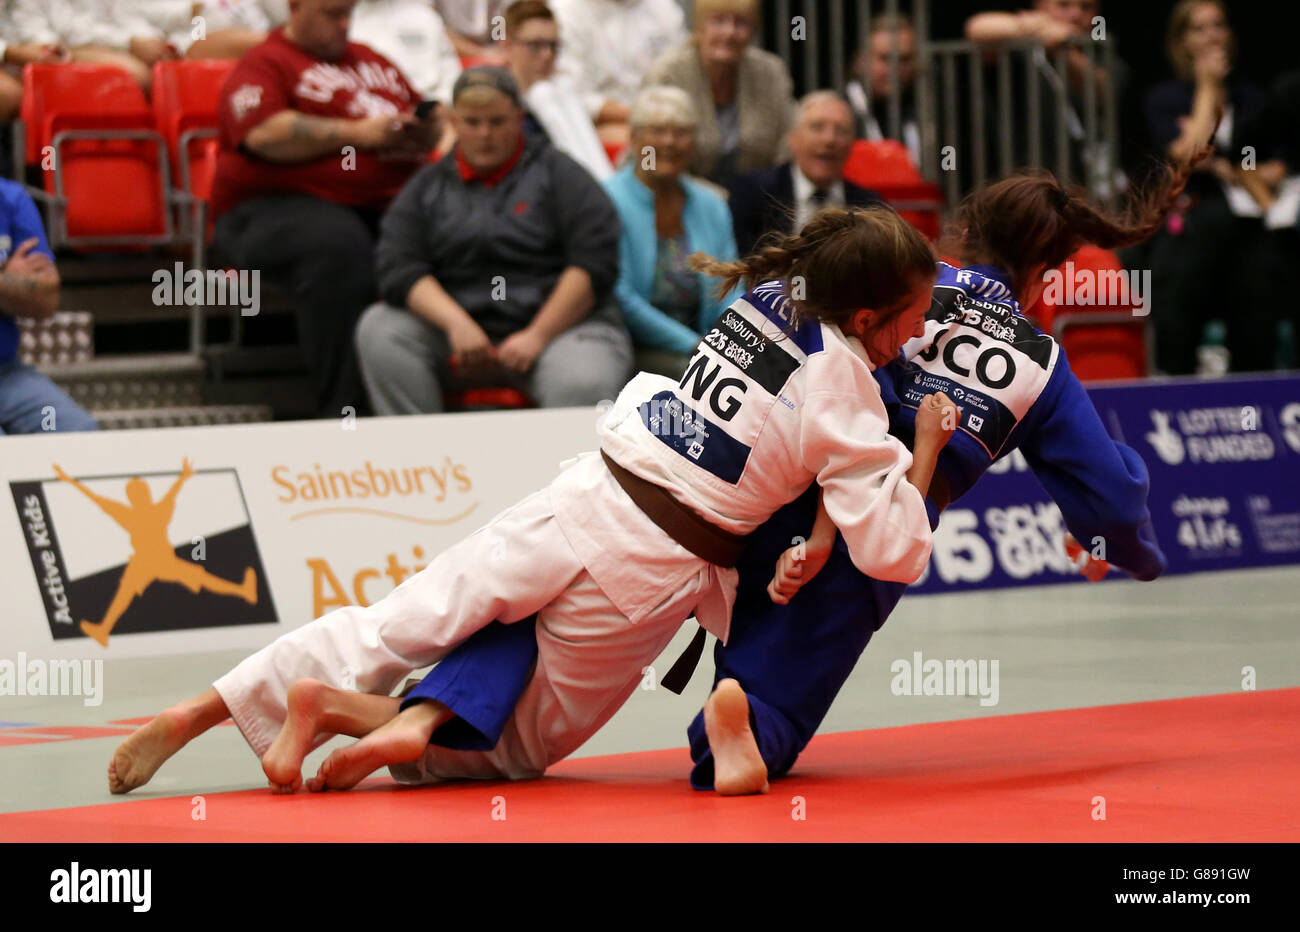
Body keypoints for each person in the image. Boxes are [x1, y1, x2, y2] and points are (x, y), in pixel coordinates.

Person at [323, 141, 1210, 797]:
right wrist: (1128, 550)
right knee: (764, 711)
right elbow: (1114, 497)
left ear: (962, 231)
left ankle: (427, 708)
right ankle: (740, 720)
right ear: (1053, 270)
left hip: (749, 495)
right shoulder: (1039, 364)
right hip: (869, 530)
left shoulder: (890, 271)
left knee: (561, 596)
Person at [106, 204, 943, 795]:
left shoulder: (764, 302)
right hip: (646, 565)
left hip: (579, 495)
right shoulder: (848, 388)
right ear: (866, 311)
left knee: (392, 621)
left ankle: (206, 708)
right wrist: (927, 444)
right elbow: (894, 547)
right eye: (910, 319)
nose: (916, 335)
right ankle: (374, 725)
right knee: (514, 753)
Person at [210, 0, 439, 418]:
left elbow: (424, 112)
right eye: (332, 13)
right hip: (269, 208)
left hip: (385, 203)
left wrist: (428, 127)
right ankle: (346, 412)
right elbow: (263, 134)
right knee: (338, 247)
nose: (344, 24)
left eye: (348, 13)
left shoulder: (371, 60)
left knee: (456, 229)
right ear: (296, 8)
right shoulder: (266, 62)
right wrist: (360, 134)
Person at [354, 67, 629, 414]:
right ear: (453, 122)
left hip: (559, 332)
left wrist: (537, 336)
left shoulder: (563, 175)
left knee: (583, 379)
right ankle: (423, 462)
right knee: (380, 330)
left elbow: (594, 263)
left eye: (497, 122)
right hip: (457, 334)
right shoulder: (425, 187)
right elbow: (398, 267)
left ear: (519, 118)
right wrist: (456, 324)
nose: (484, 134)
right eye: (472, 122)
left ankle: (567, 469)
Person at [1143, 0, 1290, 374]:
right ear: (1181, 41)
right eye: (1200, 28)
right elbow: (1190, 153)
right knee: (1178, 314)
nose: (1213, 35)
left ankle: (1256, 411)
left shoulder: (1253, 98)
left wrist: (1228, 167)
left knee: (1259, 314)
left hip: (1249, 228)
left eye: (1219, 25)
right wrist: (1207, 87)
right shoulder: (1166, 97)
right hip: (1192, 227)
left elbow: (1273, 168)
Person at [604, 86, 740, 378]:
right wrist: (695, 345)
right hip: (633, 344)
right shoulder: (609, 199)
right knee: (703, 379)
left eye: (680, 132)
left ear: (693, 144)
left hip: (707, 345)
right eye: (656, 131)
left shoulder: (711, 203)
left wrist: (729, 341)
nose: (669, 142)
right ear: (634, 139)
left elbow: (728, 285)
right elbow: (622, 297)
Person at [642, 0, 795, 187]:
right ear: (698, 28)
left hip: (759, 197)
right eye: (718, 21)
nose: (729, 32)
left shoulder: (771, 72)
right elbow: (648, 149)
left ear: (753, 32)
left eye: (741, 23)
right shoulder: (668, 74)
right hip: (678, 193)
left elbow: (790, 140)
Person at [728, 91, 883, 258]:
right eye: (817, 127)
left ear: (852, 144)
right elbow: (743, 265)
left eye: (841, 130)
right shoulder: (754, 194)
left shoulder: (870, 207)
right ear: (793, 138)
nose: (829, 139)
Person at [0, 178, 97, 436]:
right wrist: (8, 277)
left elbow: (47, 298)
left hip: (6, 374)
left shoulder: (11, 199)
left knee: (78, 431)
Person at [549, 0, 687, 149]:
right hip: (599, 126)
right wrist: (639, 117)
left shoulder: (664, 8)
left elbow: (683, 73)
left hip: (667, 115)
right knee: (648, 146)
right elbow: (570, 93)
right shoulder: (565, 12)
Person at [500, 0, 611, 182]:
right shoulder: (500, 106)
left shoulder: (564, 92)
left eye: (553, 46)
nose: (547, 55)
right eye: (535, 46)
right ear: (507, 46)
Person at [845, 12, 921, 165]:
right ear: (860, 61)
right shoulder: (839, 110)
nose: (896, 68)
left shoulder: (925, 110)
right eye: (885, 58)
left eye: (904, 59)